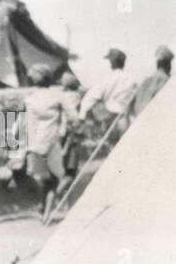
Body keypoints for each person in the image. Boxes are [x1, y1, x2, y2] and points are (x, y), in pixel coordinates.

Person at [20, 63, 82, 219]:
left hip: (35, 144)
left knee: (43, 179)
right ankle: (47, 214)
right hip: (52, 142)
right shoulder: (58, 96)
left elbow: (26, 124)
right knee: (54, 180)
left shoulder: (29, 100)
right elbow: (74, 117)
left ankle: (43, 208)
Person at [78, 48, 138, 138]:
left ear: (112, 62)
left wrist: (82, 117)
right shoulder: (132, 79)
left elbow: (89, 98)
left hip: (110, 121)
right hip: (126, 120)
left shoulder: (106, 79)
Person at [129, 45, 171, 121]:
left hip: (137, 120)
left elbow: (131, 102)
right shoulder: (166, 80)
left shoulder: (146, 79)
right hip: (152, 121)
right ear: (168, 64)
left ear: (157, 63)